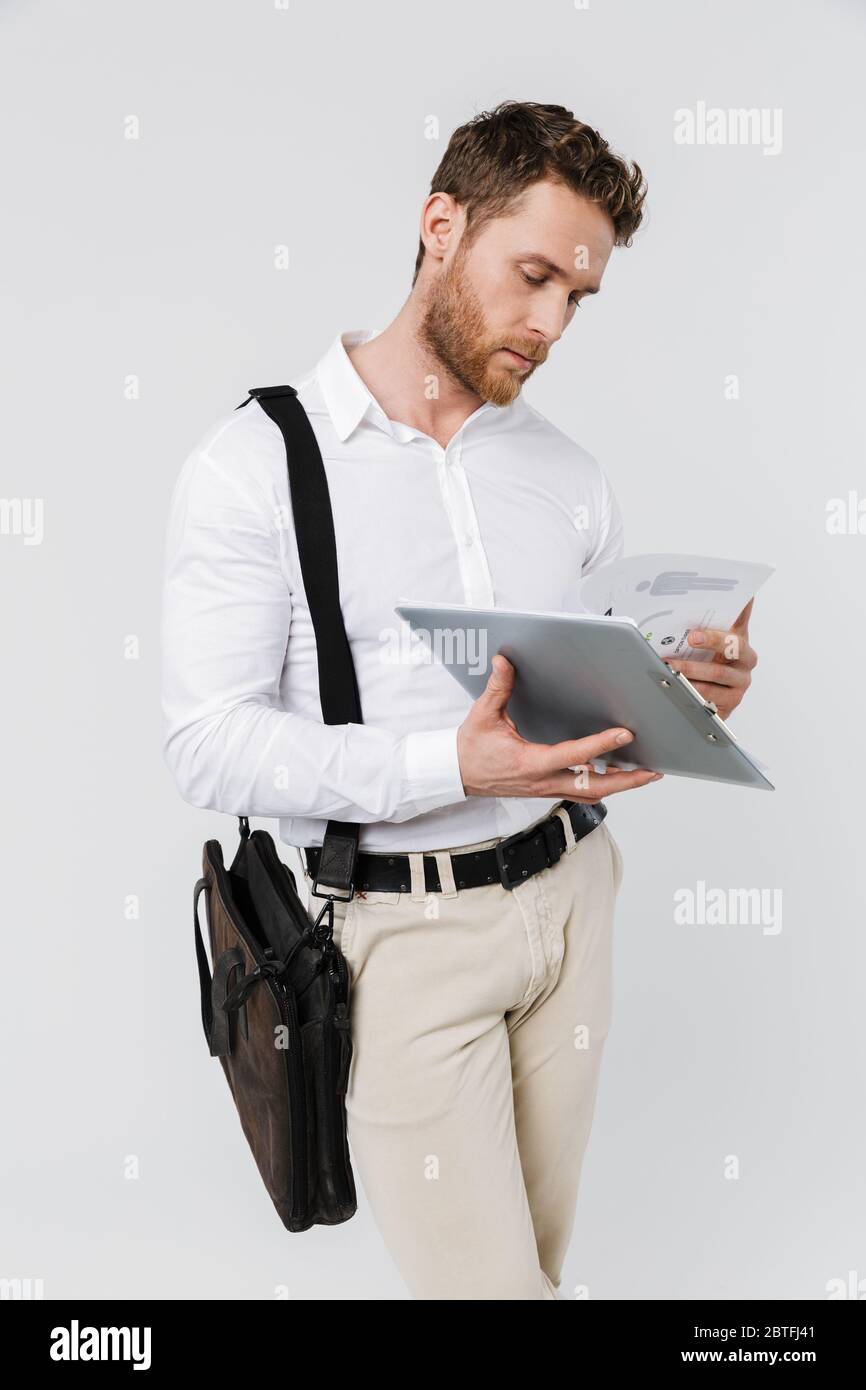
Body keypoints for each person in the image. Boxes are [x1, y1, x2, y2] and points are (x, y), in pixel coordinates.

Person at [161, 100, 758, 1299]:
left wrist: (684, 693)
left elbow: (573, 700)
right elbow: (206, 744)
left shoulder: (562, 474)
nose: (548, 325)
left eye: (577, 298)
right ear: (440, 225)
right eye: (531, 275)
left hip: (572, 905)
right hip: (397, 943)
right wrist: (451, 767)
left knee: (534, 1269)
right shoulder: (260, 464)